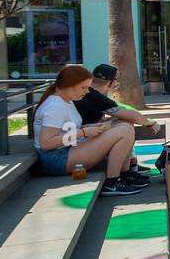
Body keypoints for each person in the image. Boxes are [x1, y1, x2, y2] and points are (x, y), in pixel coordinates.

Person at [32, 65, 144, 197]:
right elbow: (46, 143)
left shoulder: (65, 101)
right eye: (83, 88)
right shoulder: (55, 106)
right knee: (123, 132)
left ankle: (125, 174)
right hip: (56, 158)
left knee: (124, 124)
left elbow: (64, 130)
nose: (87, 92)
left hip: (67, 150)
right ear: (70, 85)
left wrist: (88, 128)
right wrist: (83, 133)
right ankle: (111, 183)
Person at [76, 64, 159, 139]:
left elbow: (121, 108)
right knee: (125, 124)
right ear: (112, 82)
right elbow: (133, 116)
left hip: (76, 134)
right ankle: (126, 156)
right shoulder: (96, 97)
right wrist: (150, 123)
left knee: (122, 121)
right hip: (79, 140)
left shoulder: (89, 92)